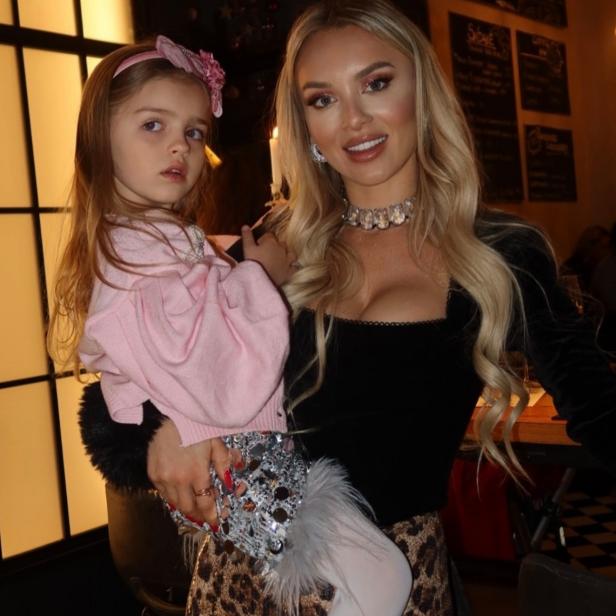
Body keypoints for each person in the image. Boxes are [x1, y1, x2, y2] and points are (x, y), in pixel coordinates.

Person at [77, 2, 616, 614]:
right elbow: (116, 387)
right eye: (323, 99)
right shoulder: (278, 243)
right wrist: (158, 437)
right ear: (304, 122)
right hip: (241, 582)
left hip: (388, 586)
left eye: (376, 84)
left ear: (423, 91)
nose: (354, 120)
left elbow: (600, 409)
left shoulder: (498, 253)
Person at [48, 33, 412, 616]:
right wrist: (257, 278)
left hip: (249, 462)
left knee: (373, 579)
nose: (180, 146)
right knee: (377, 578)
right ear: (99, 140)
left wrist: (242, 274)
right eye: (153, 125)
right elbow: (210, 370)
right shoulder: (139, 250)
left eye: (194, 132)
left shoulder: (158, 241)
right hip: (237, 460)